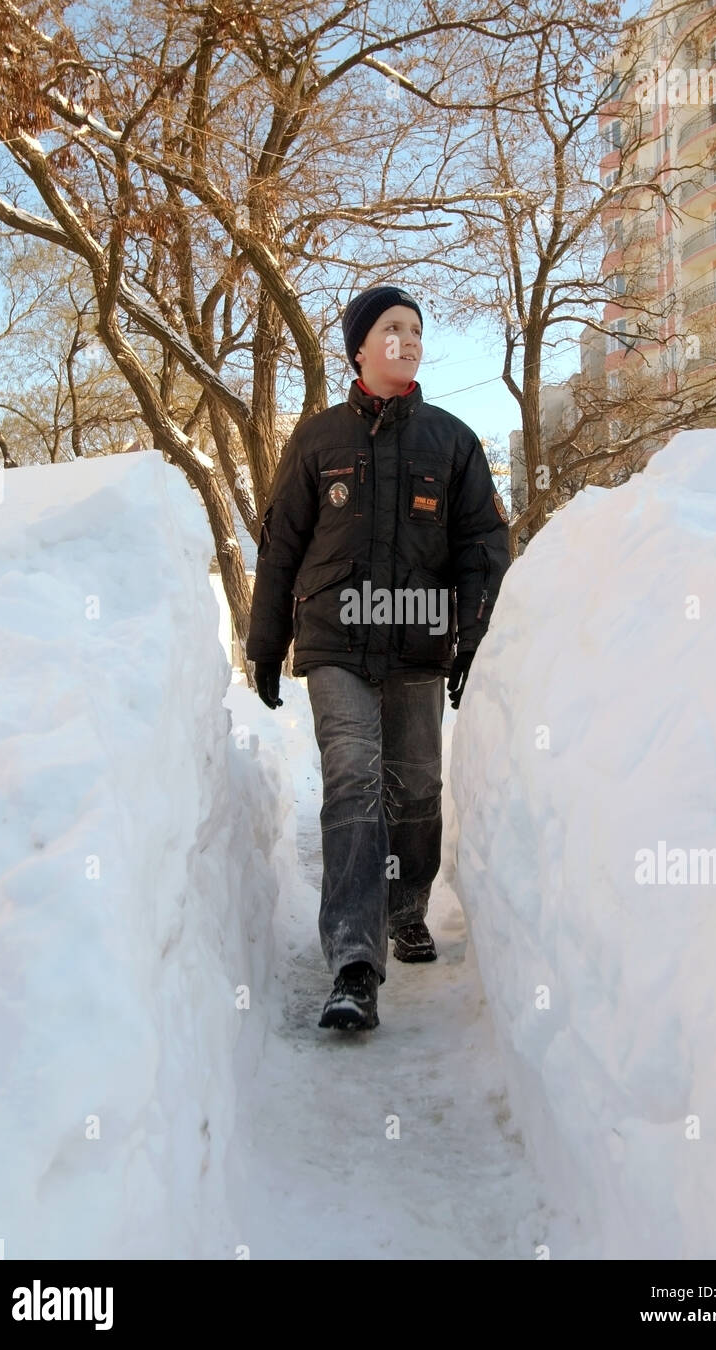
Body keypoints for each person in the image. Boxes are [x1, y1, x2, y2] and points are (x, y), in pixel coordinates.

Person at [245, 285, 510, 1031]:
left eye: (416, 330)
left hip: (417, 642)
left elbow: (482, 551)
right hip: (335, 643)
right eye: (391, 328)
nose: (408, 339)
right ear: (359, 348)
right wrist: (266, 645)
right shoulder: (317, 439)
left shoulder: (453, 442)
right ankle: (354, 961)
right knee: (354, 780)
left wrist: (472, 641)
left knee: (416, 788)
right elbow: (281, 546)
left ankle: (405, 907)